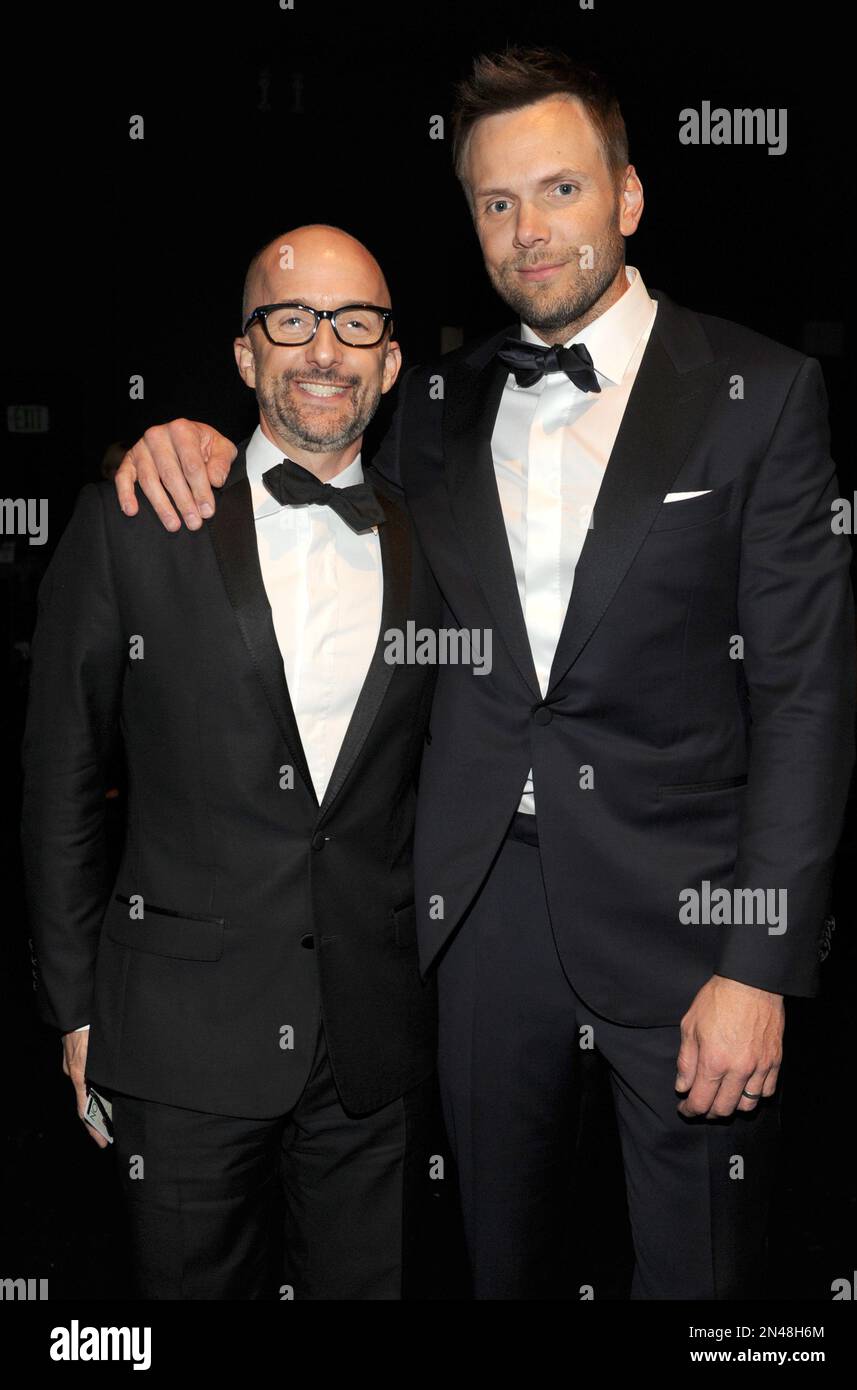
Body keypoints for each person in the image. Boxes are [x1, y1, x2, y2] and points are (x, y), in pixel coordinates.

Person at [112, 48, 857, 1299]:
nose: (527, 230)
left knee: (701, 1279)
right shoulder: (433, 405)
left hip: (690, 932)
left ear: (626, 197)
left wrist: (756, 966)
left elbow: (801, 698)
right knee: (488, 1262)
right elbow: (307, 438)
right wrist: (186, 432)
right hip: (470, 925)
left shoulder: (759, 395)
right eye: (494, 202)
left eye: (559, 191)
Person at [21, 224, 443, 1300]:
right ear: (245, 353)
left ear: (390, 360)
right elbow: (59, 781)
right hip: (175, 1039)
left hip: (369, 1048)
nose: (322, 349)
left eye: (355, 323)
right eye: (289, 320)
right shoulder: (134, 521)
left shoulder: (438, 543)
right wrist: (74, 1006)